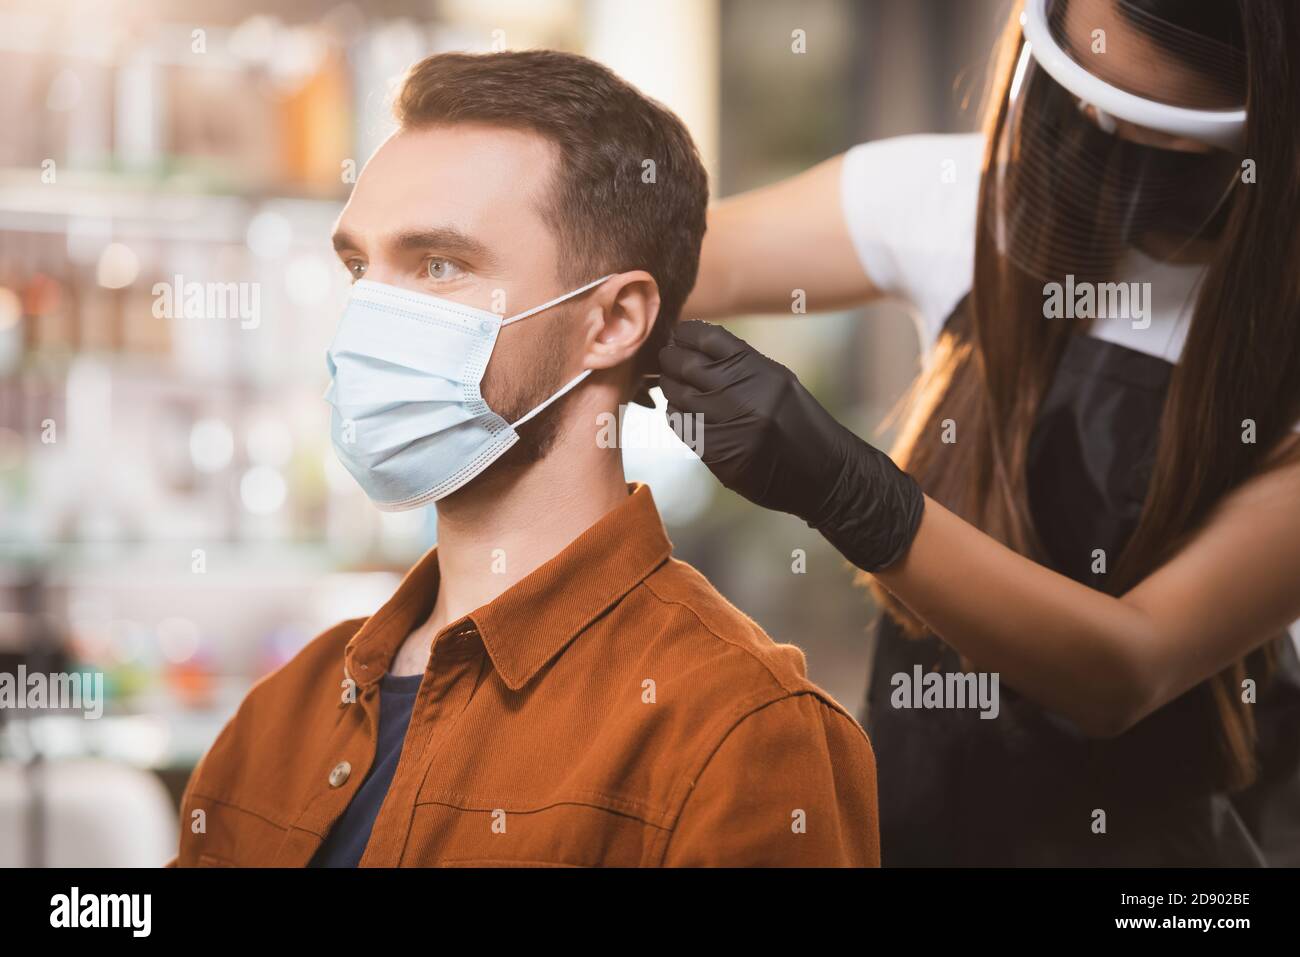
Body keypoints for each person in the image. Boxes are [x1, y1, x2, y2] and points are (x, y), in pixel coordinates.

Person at [170, 49, 880, 868]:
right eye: (361, 267)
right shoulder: (284, 712)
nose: (370, 317)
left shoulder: (736, 731)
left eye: (440, 265)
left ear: (612, 321)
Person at [662, 0, 1300, 865]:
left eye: (1163, 131)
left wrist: (852, 494)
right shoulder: (959, 199)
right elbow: (653, 266)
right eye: (1081, 93)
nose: (1099, 132)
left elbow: (1126, 669)